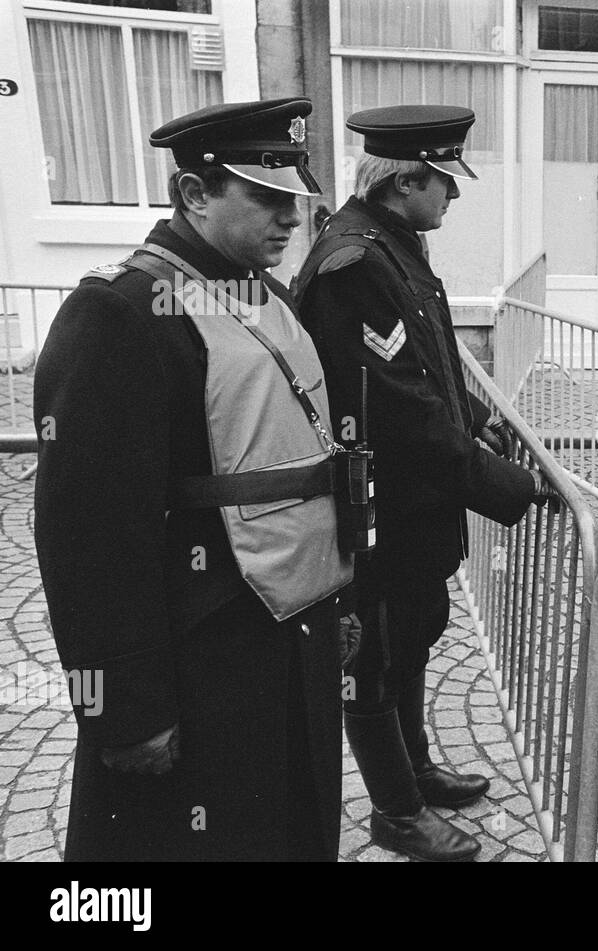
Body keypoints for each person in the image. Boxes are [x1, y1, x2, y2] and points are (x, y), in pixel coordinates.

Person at [34, 98, 352, 860]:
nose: (289, 219)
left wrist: (337, 597)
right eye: (266, 198)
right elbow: (87, 540)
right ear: (192, 194)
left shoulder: (257, 289)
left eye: (295, 199)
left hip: (283, 641)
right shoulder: (118, 314)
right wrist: (125, 710)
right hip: (198, 659)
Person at [293, 105, 551, 862]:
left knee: (408, 643)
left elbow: (424, 362)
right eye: (447, 180)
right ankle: (398, 812)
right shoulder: (355, 264)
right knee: (372, 662)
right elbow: (401, 414)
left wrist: (476, 416)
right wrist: (505, 483)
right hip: (379, 510)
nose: (456, 196)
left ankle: (419, 769)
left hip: (408, 513)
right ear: (405, 180)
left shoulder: (390, 244)